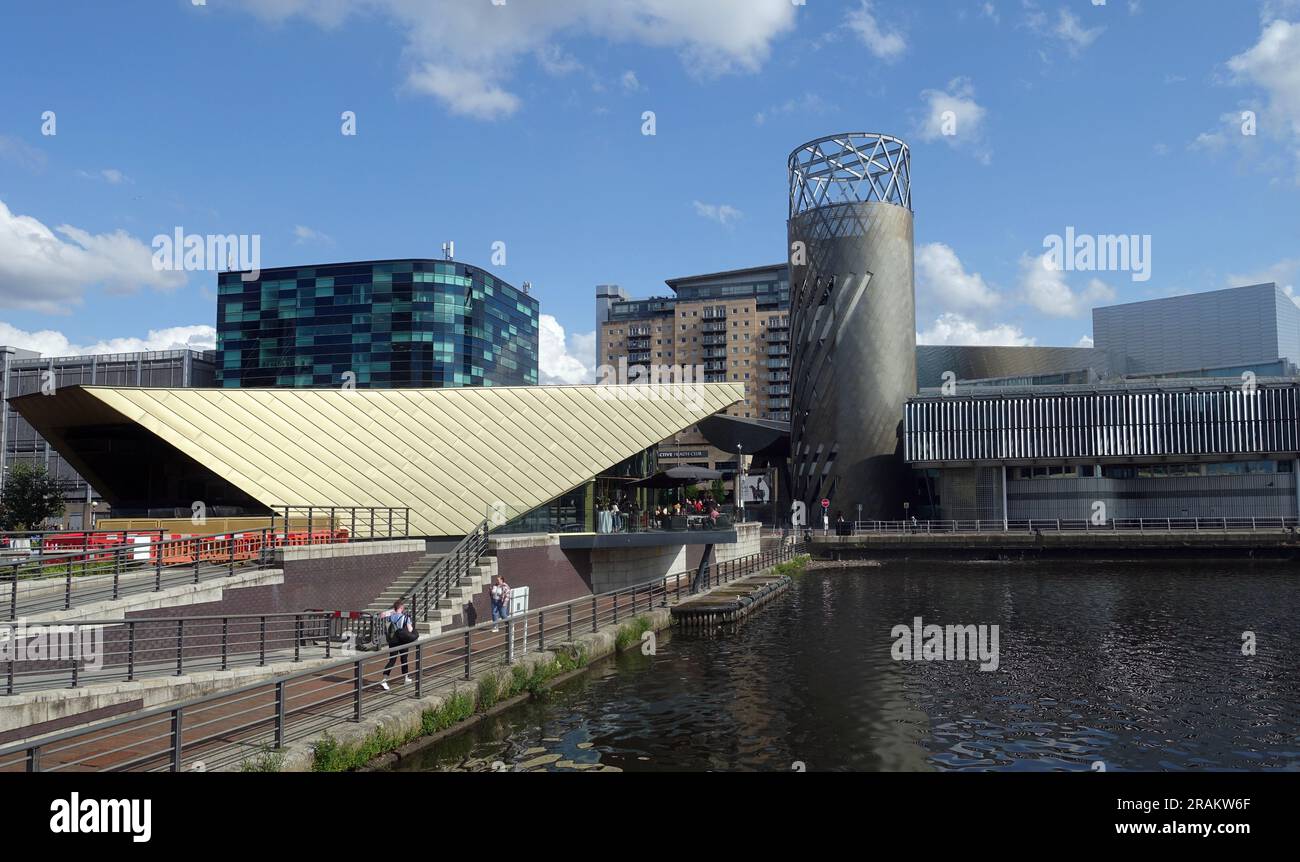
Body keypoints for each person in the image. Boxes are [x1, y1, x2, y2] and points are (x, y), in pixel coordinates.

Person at [379, 599, 418, 690]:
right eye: (403, 608)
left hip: (393, 641)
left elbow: (381, 615)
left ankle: (384, 680)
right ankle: (405, 678)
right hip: (402, 641)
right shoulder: (405, 618)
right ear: (401, 608)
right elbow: (410, 630)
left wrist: (391, 612)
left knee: (392, 660)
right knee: (404, 659)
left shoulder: (390, 617)